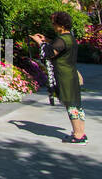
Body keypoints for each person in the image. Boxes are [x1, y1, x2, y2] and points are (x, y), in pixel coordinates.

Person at [31, 11, 86, 144]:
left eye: (54, 23)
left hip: (64, 76)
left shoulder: (62, 40)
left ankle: (78, 135)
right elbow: (57, 48)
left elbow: (48, 53)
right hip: (71, 74)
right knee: (76, 105)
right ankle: (80, 132)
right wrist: (47, 41)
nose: (53, 26)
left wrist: (40, 43)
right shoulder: (69, 37)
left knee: (71, 105)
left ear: (60, 25)